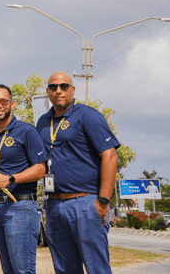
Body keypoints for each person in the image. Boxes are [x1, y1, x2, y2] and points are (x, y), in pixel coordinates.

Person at [35, 72, 120, 274]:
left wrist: (103, 201)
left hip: (85, 202)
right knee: (64, 269)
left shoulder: (88, 115)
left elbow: (110, 156)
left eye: (64, 86)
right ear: (47, 91)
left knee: (96, 268)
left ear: (72, 90)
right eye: (53, 87)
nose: (59, 91)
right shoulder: (42, 122)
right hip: (54, 204)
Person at [0, 84, 47, 274]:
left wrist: (10, 179)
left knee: (23, 270)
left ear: (12, 104)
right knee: (8, 270)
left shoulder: (26, 130)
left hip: (20, 207)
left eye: (3, 101)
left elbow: (40, 169)